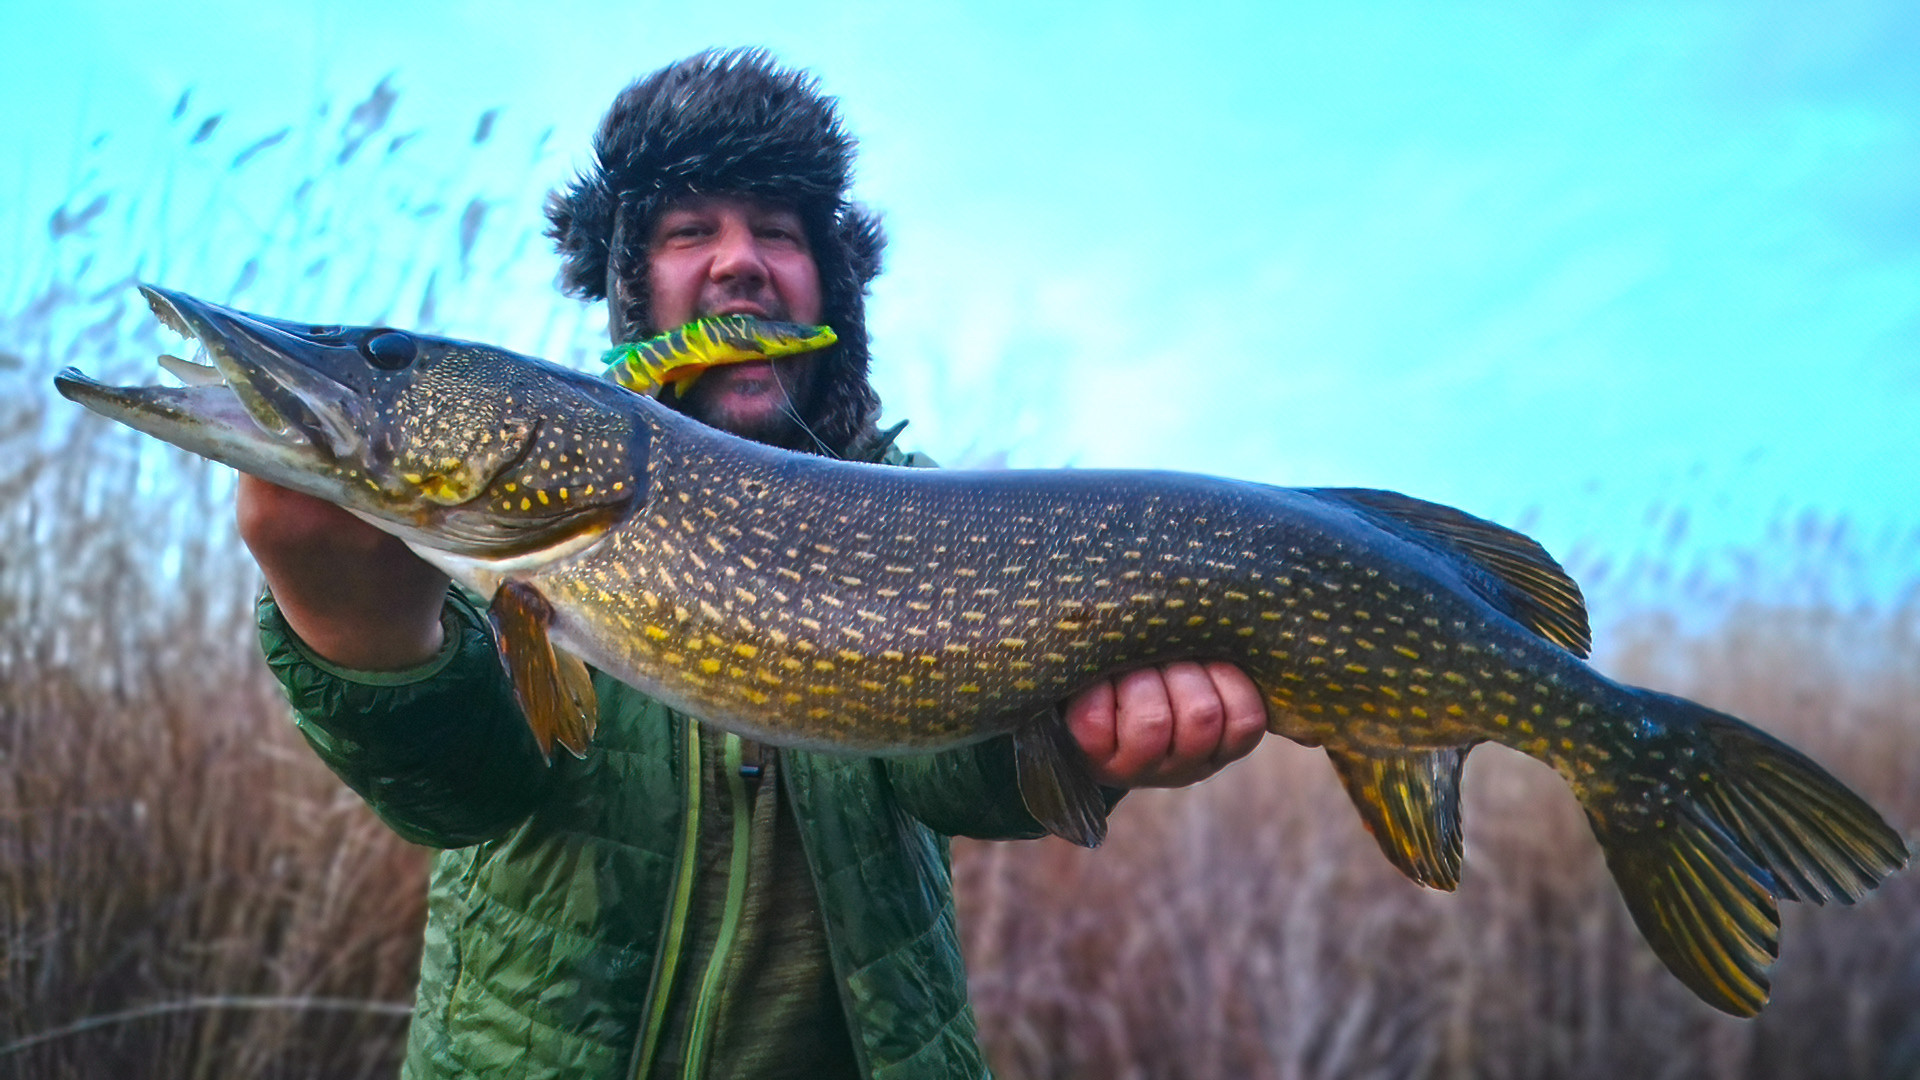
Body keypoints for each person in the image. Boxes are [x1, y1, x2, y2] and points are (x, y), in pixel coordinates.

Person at [241, 50, 1267, 1079]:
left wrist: (1089, 741)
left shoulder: (922, 506)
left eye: (777, 230)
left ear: (830, 284)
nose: (740, 262)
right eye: (690, 231)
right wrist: (363, 643)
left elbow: (960, 778)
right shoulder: (505, 525)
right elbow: (456, 793)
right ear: (631, 288)